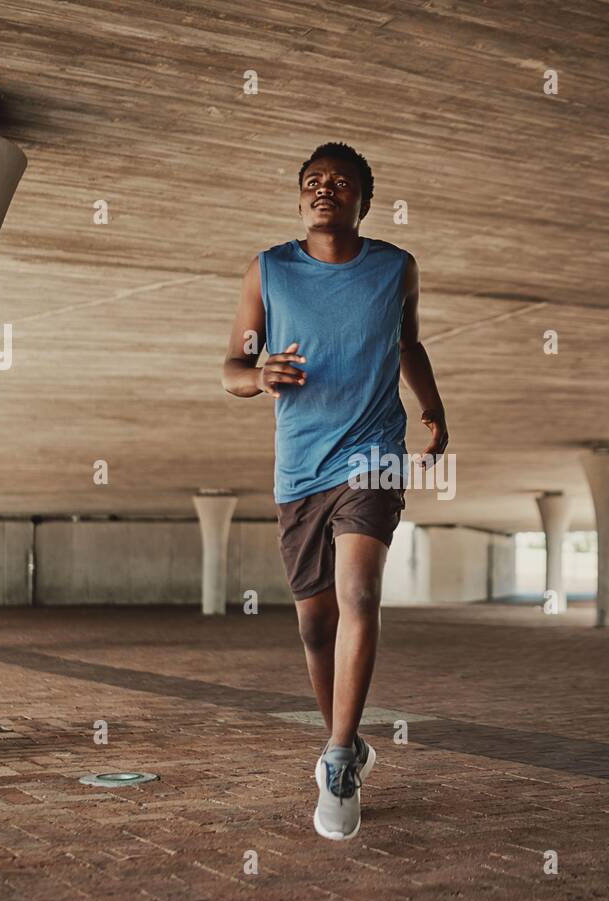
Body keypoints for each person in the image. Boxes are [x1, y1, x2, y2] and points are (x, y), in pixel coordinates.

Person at [222, 142, 449, 840]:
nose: (326, 190)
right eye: (314, 182)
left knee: (359, 594)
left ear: (363, 202)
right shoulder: (269, 270)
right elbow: (233, 363)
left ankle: (342, 756)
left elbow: (406, 342)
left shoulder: (395, 269)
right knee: (315, 625)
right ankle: (340, 741)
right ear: (300, 199)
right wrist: (260, 377)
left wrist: (432, 408)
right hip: (299, 468)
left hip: (371, 455)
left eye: (341, 183)